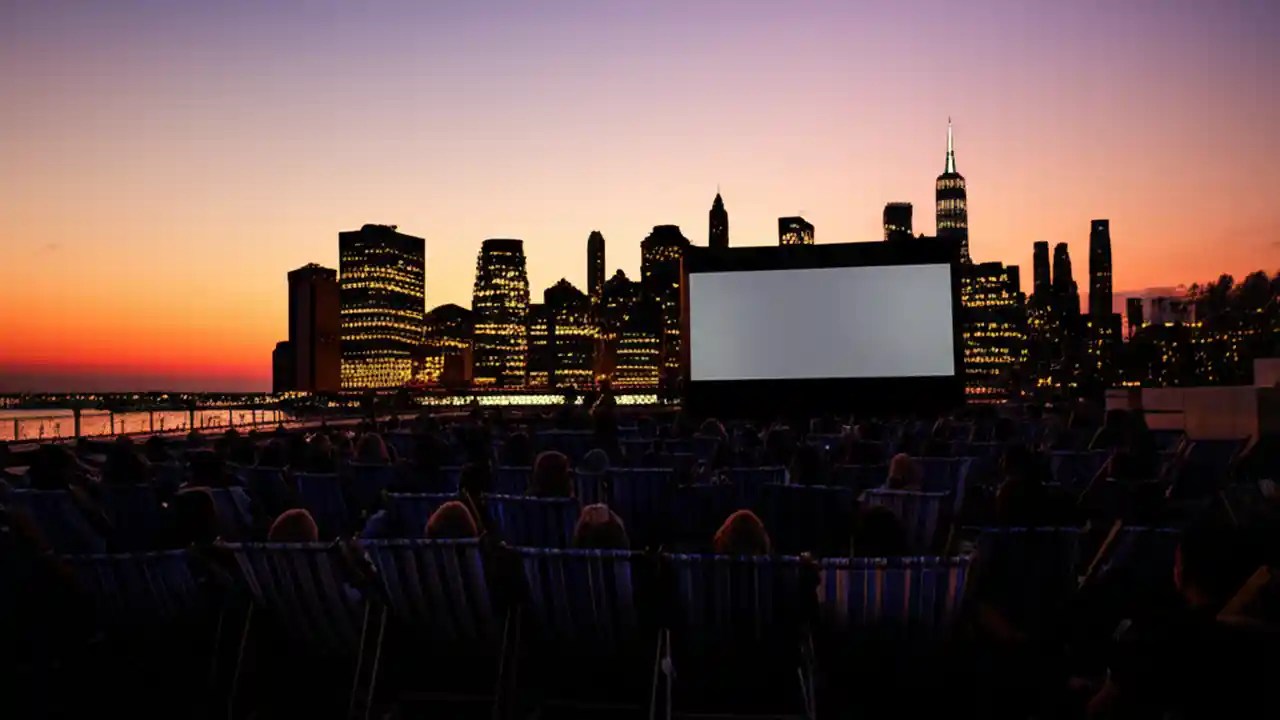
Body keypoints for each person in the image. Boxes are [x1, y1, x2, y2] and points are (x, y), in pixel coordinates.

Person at [1086, 523, 1259, 718]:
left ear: (1181, 572)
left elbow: (1100, 709)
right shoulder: (1257, 635)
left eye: (1176, 563)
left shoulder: (1158, 637)